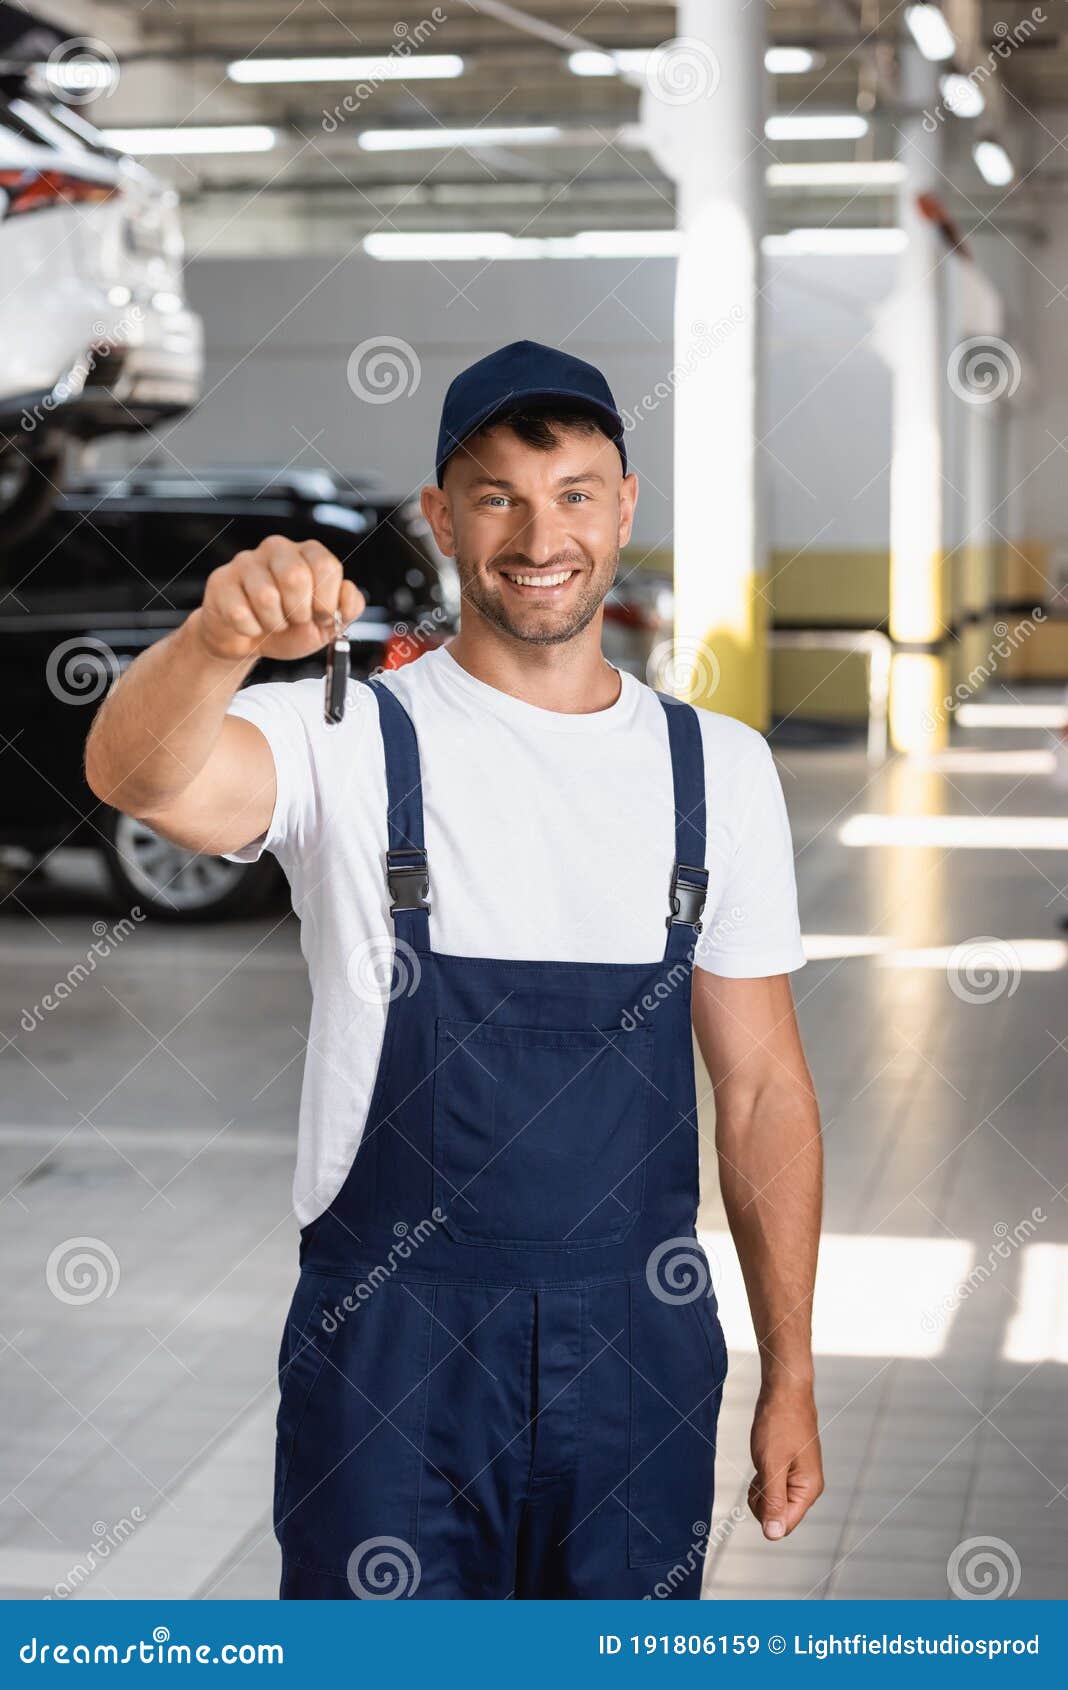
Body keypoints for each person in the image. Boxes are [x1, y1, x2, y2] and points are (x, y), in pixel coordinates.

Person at [85, 339, 823, 1600]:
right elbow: (136, 777)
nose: (543, 535)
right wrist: (215, 639)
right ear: (441, 516)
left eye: (576, 492)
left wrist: (793, 1370)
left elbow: (760, 1092)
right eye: (499, 496)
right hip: (392, 1350)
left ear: (624, 504)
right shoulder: (344, 734)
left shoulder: (720, 769)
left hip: (638, 1351)